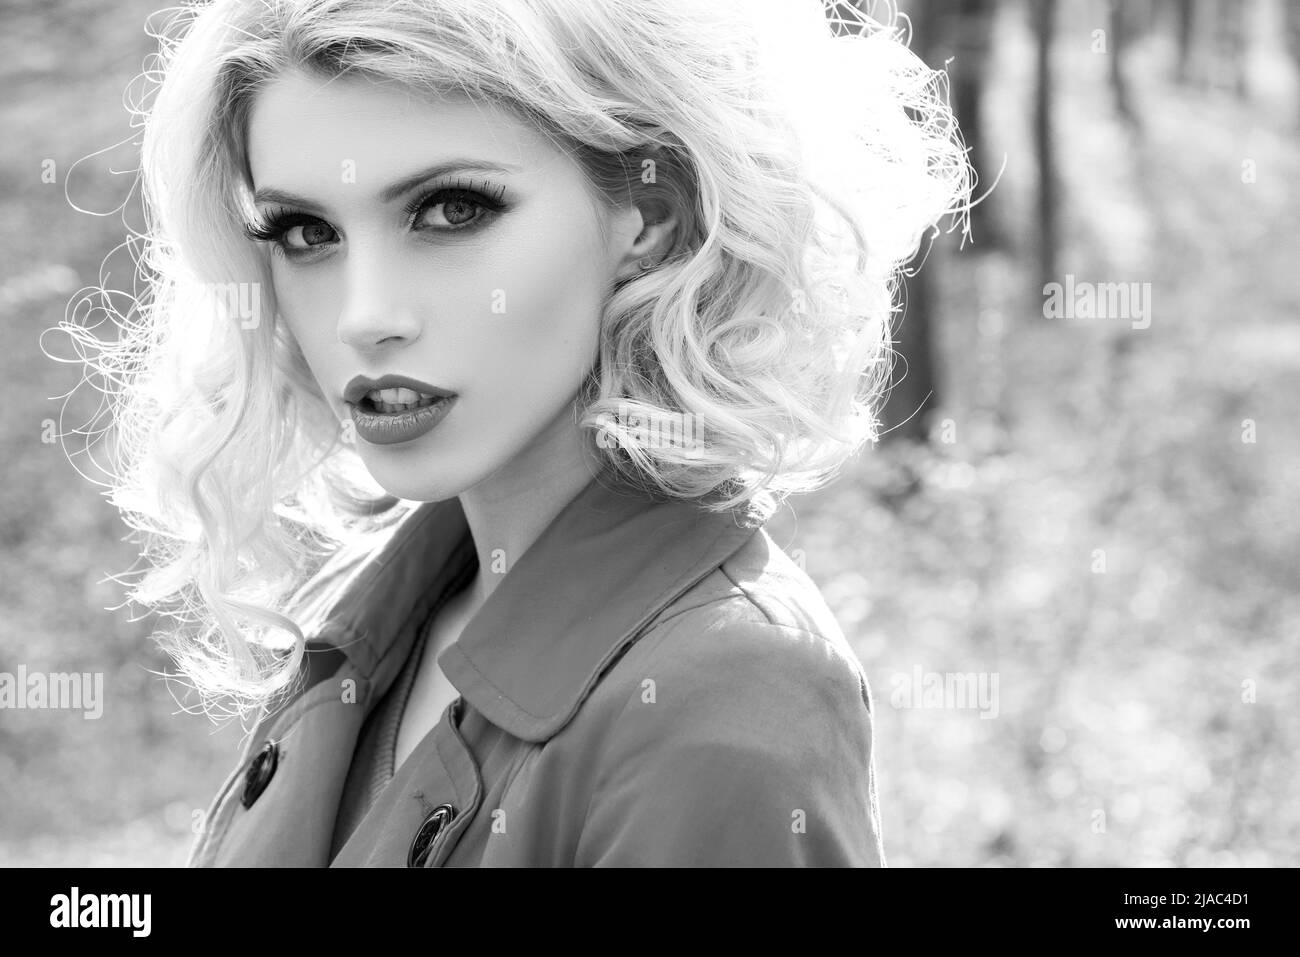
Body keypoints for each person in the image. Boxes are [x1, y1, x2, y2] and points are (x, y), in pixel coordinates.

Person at [79, 0, 972, 866]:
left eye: (451, 210)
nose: (364, 317)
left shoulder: (730, 696)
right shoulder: (365, 614)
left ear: (650, 221)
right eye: (306, 231)